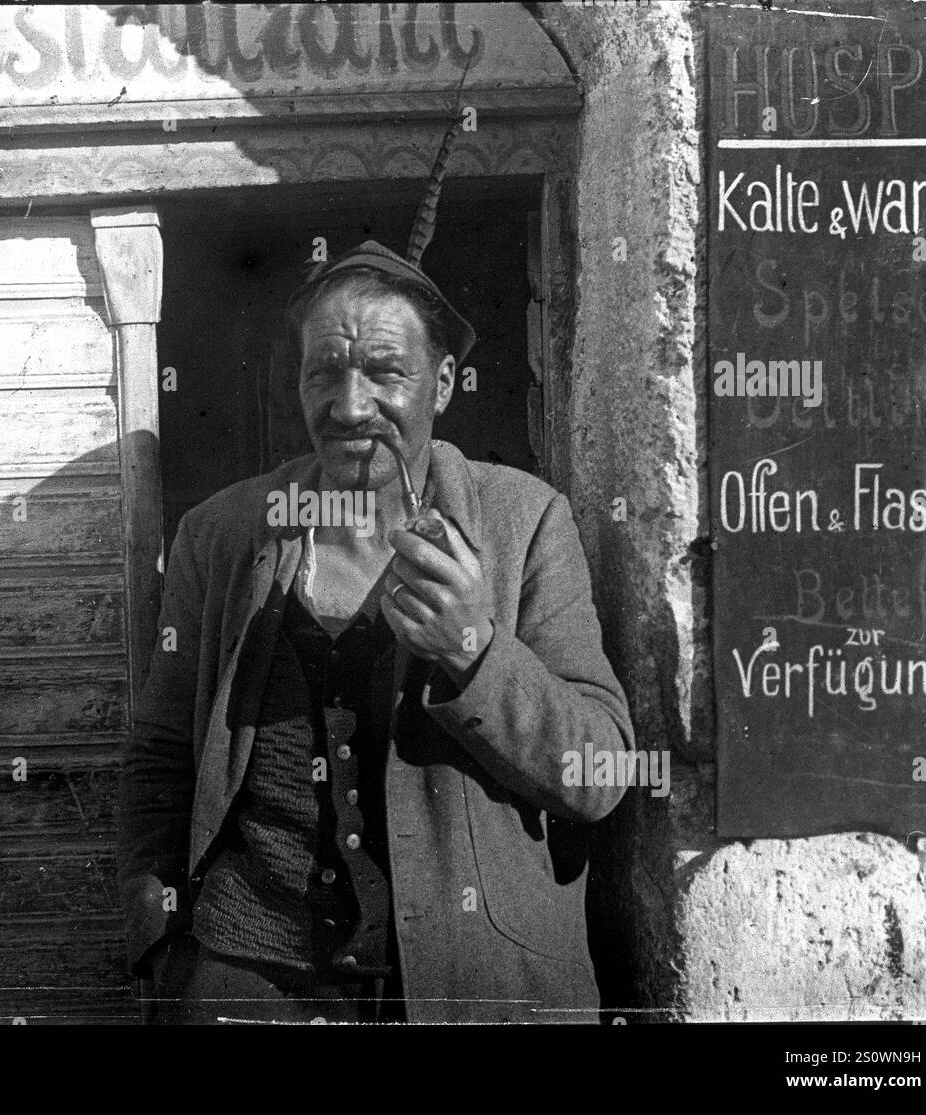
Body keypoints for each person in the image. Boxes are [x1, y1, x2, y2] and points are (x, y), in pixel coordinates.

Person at [117, 239, 634, 1024]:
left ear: (444, 385)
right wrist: (158, 934)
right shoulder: (219, 536)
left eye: (385, 373)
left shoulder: (525, 523)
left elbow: (599, 773)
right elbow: (158, 753)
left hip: (470, 984)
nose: (350, 404)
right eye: (323, 371)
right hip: (251, 980)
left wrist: (475, 651)